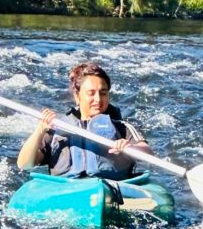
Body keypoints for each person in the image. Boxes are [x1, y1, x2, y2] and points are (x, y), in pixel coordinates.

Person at [17, 61, 152, 178]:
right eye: (91, 93)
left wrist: (130, 147)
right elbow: (24, 164)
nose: (98, 99)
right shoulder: (56, 129)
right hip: (66, 188)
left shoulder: (122, 128)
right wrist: (39, 131)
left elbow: (148, 153)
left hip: (112, 187)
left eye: (103, 93)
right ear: (77, 96)